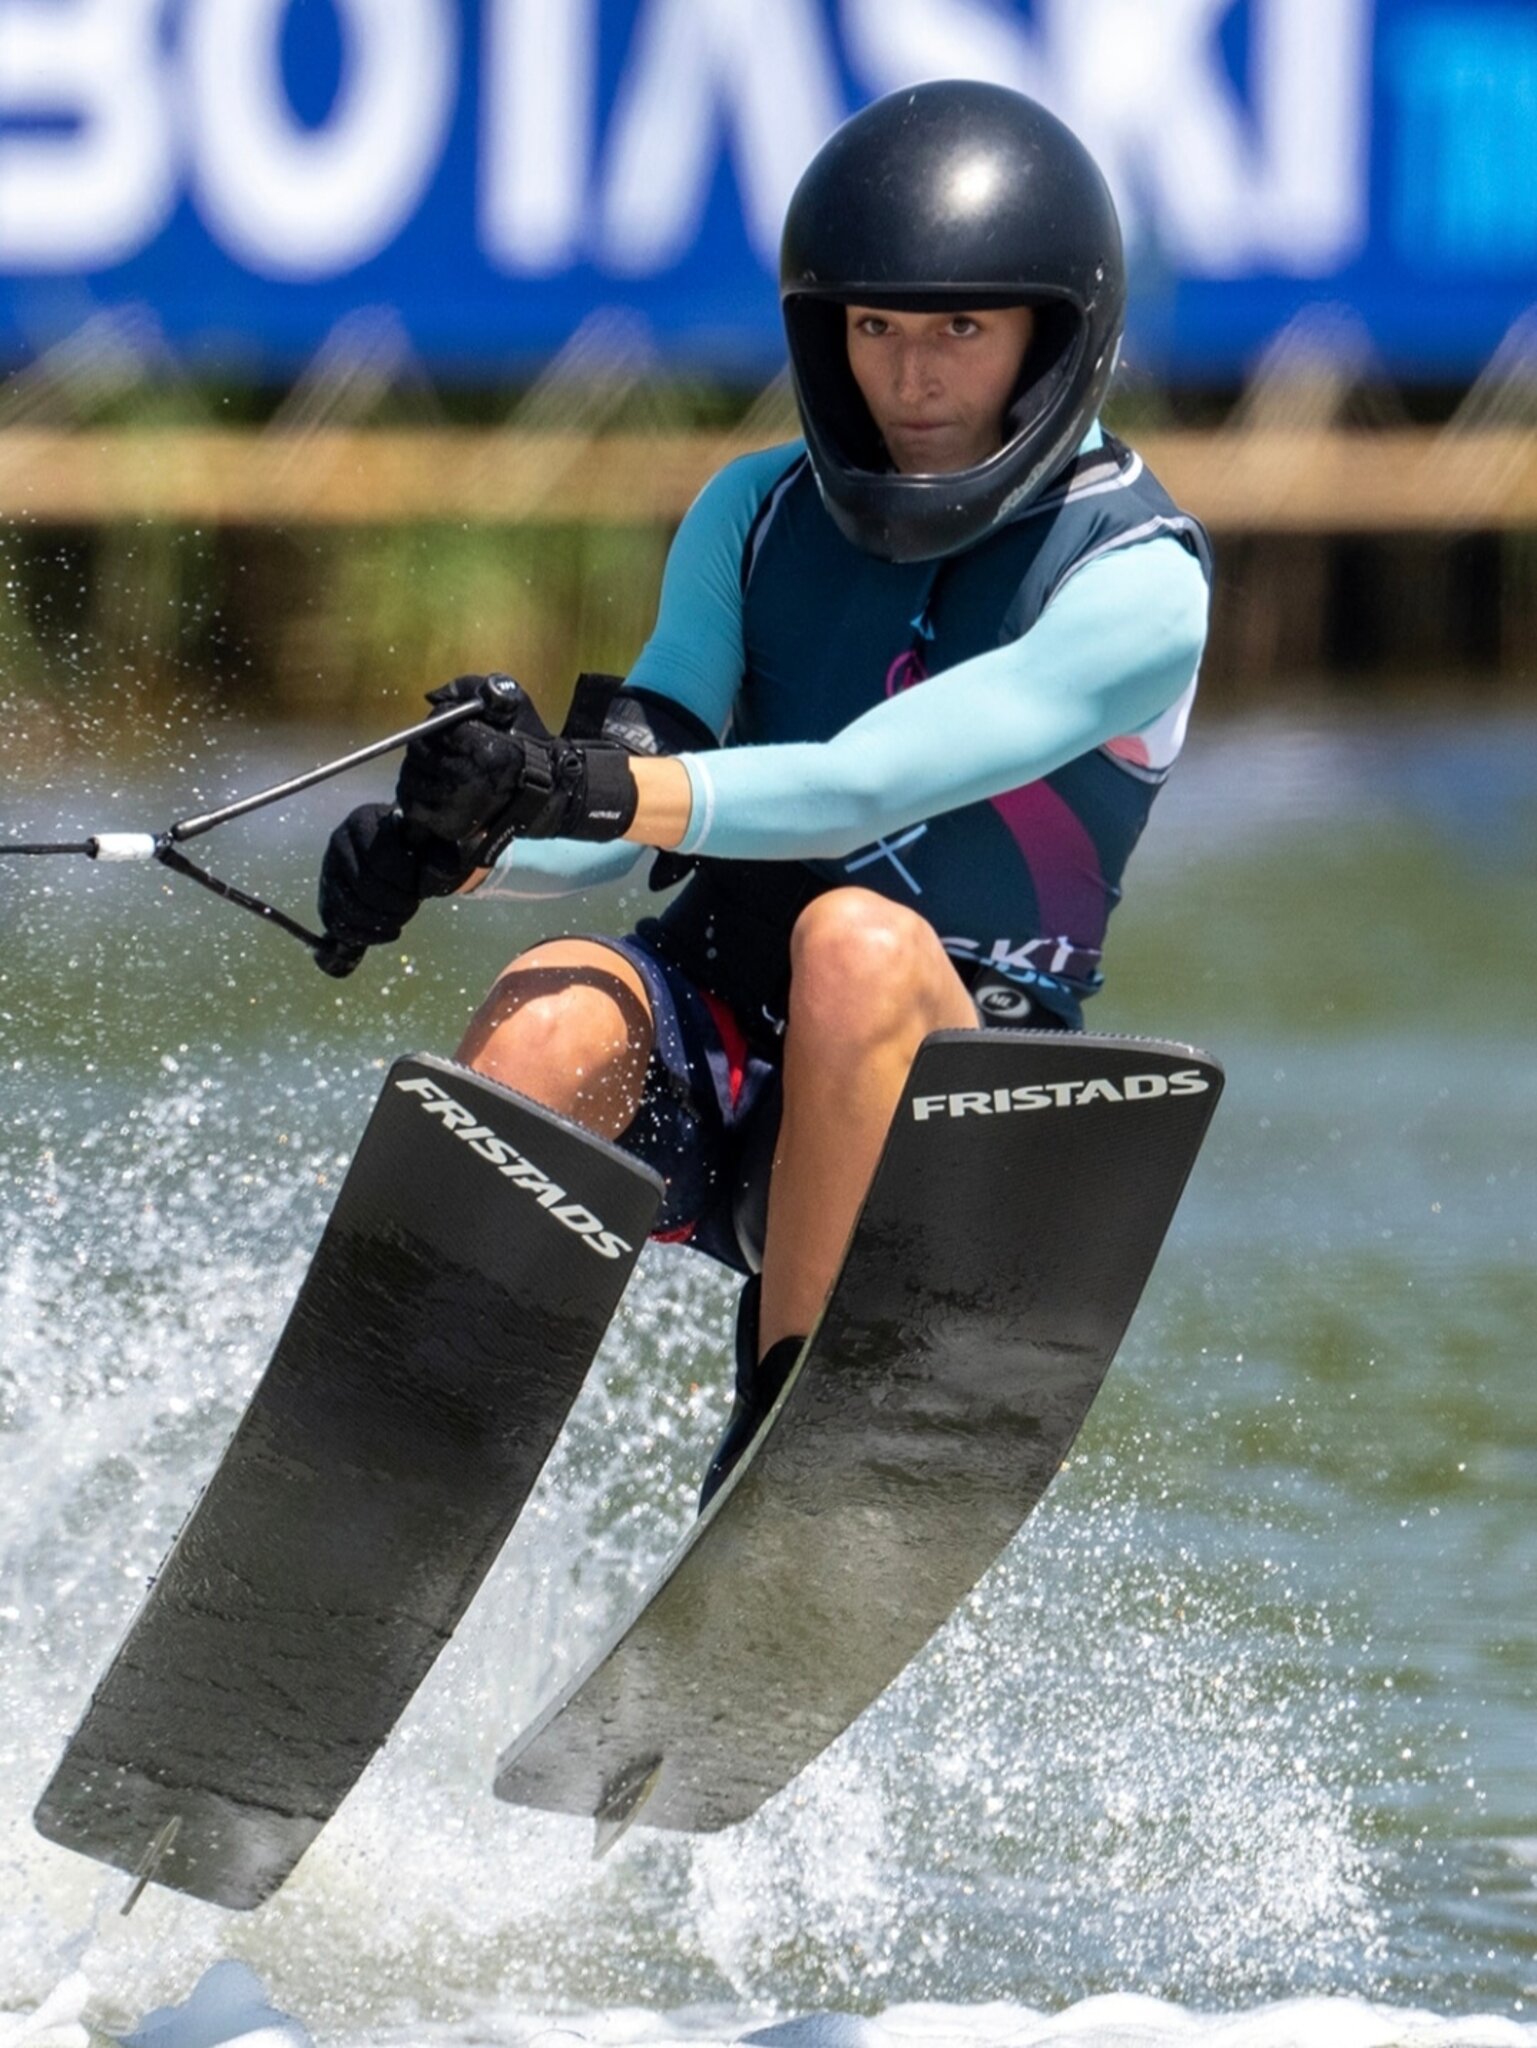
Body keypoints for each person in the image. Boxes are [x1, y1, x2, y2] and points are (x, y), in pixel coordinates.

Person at [317, 80, 1213, 1506]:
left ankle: (780, 1450)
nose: (911, 381)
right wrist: (462, 849)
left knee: (851, 936)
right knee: (552, 1004)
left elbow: (858, 787)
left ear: (1056, 338)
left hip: (955, 1126)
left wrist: (590, 787)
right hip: (733, 1058)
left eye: (960, 333)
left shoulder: (1138, 581)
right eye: (874, 331)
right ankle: (385, 1472)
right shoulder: (750, 511)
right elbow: (627, 795)